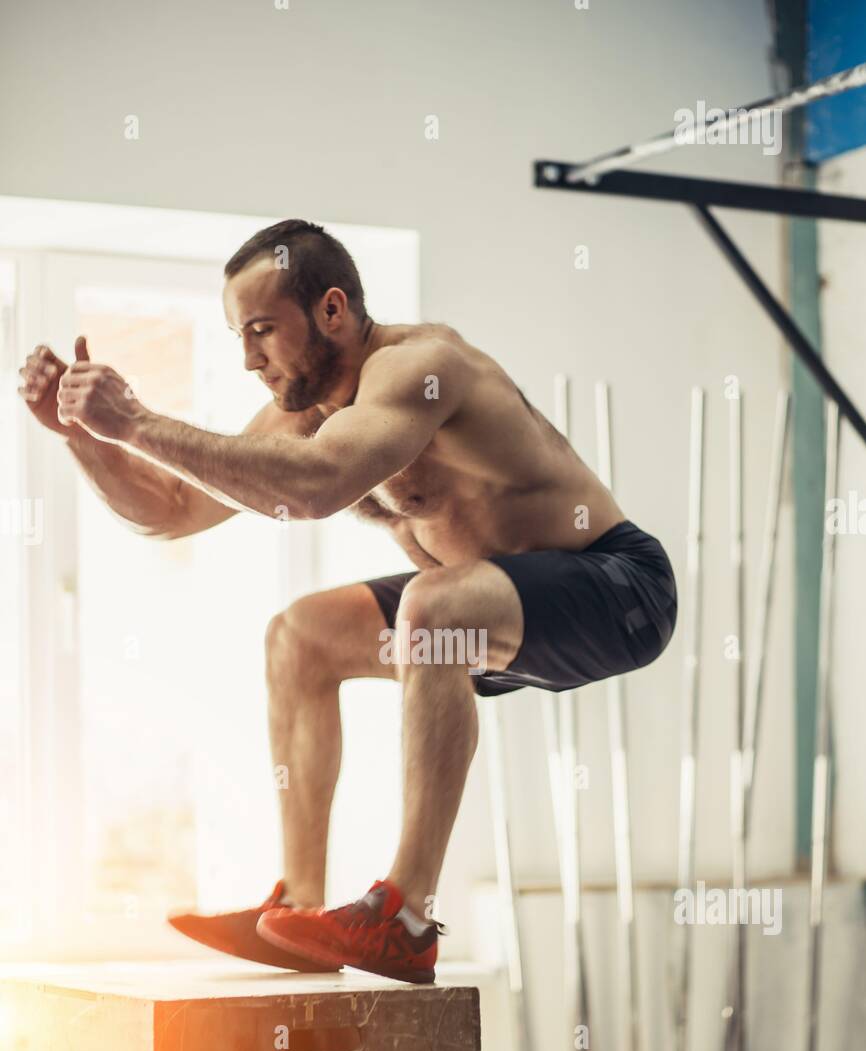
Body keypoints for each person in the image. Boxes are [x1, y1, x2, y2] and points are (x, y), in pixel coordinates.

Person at [18, 219, 677, 985]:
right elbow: (169, 512)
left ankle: (404, 917)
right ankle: (295, 909)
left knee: (431, 609)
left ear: (332, 310)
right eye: (238, 335)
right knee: (300, 634)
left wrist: (135, 420)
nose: (247, 358)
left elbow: (315, 489)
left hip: (617, 588)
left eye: (263, 330)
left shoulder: (421, 369)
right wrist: (84, 438)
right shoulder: (306, 409)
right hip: (484, 602)